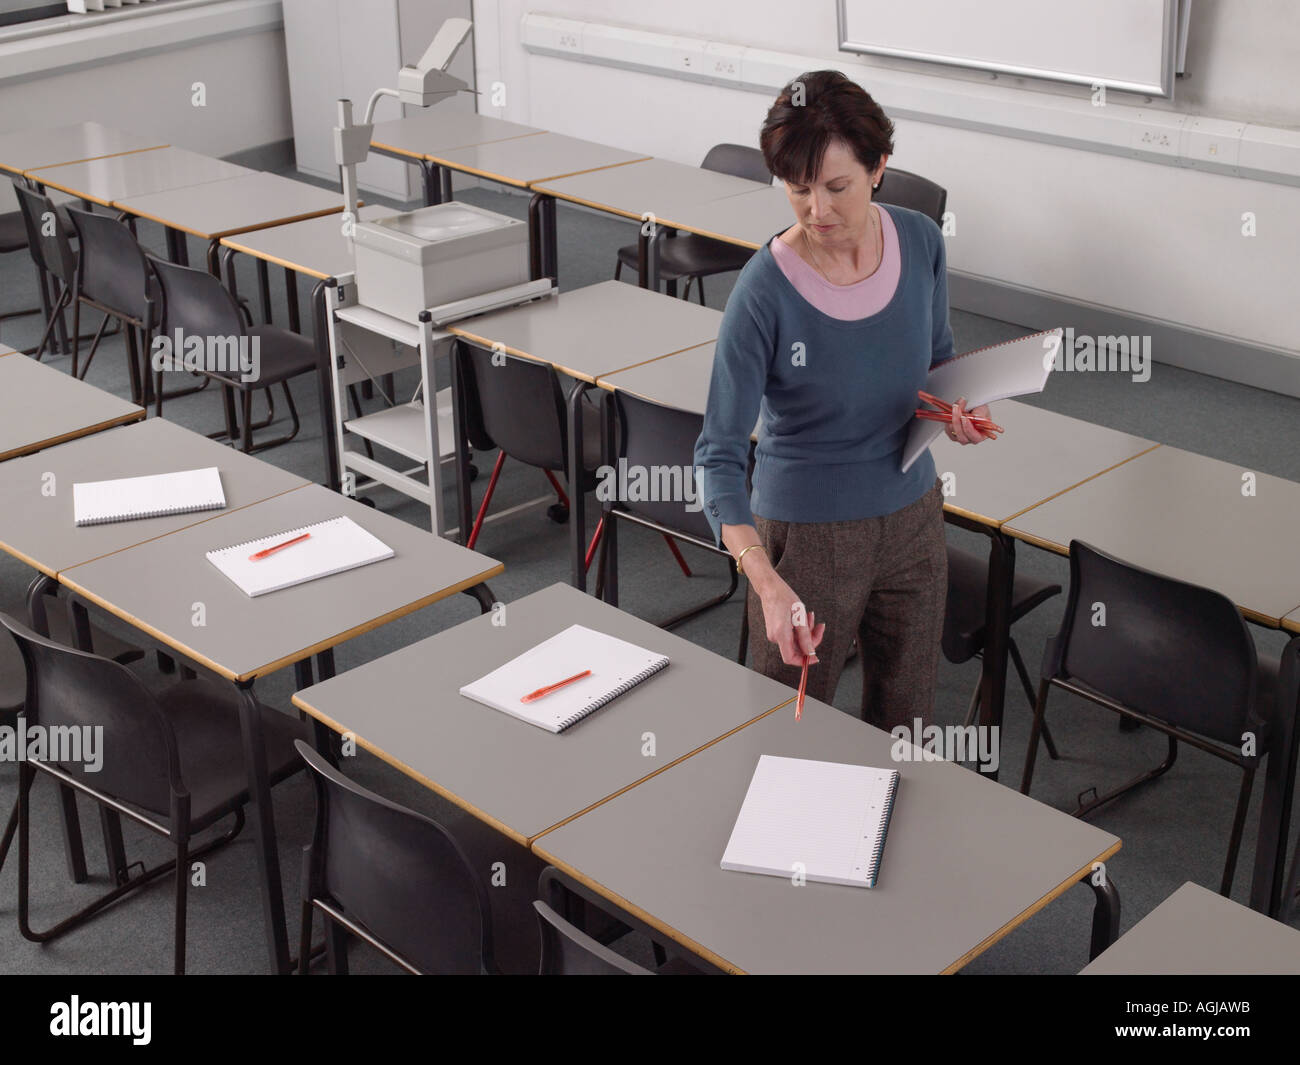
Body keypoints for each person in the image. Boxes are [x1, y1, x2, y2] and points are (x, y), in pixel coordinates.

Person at [693, 70, 993, 730]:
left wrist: (954, 411)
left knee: (906, 725)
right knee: (791, 727)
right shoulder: (763, 292)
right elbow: (715, 458)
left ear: (879, 167)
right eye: (798, 190)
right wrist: (766, 583)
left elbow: (935, 361)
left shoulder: (919, 243)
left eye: (836, 187)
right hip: (807, 541)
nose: (816, 211)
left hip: (914, 518)